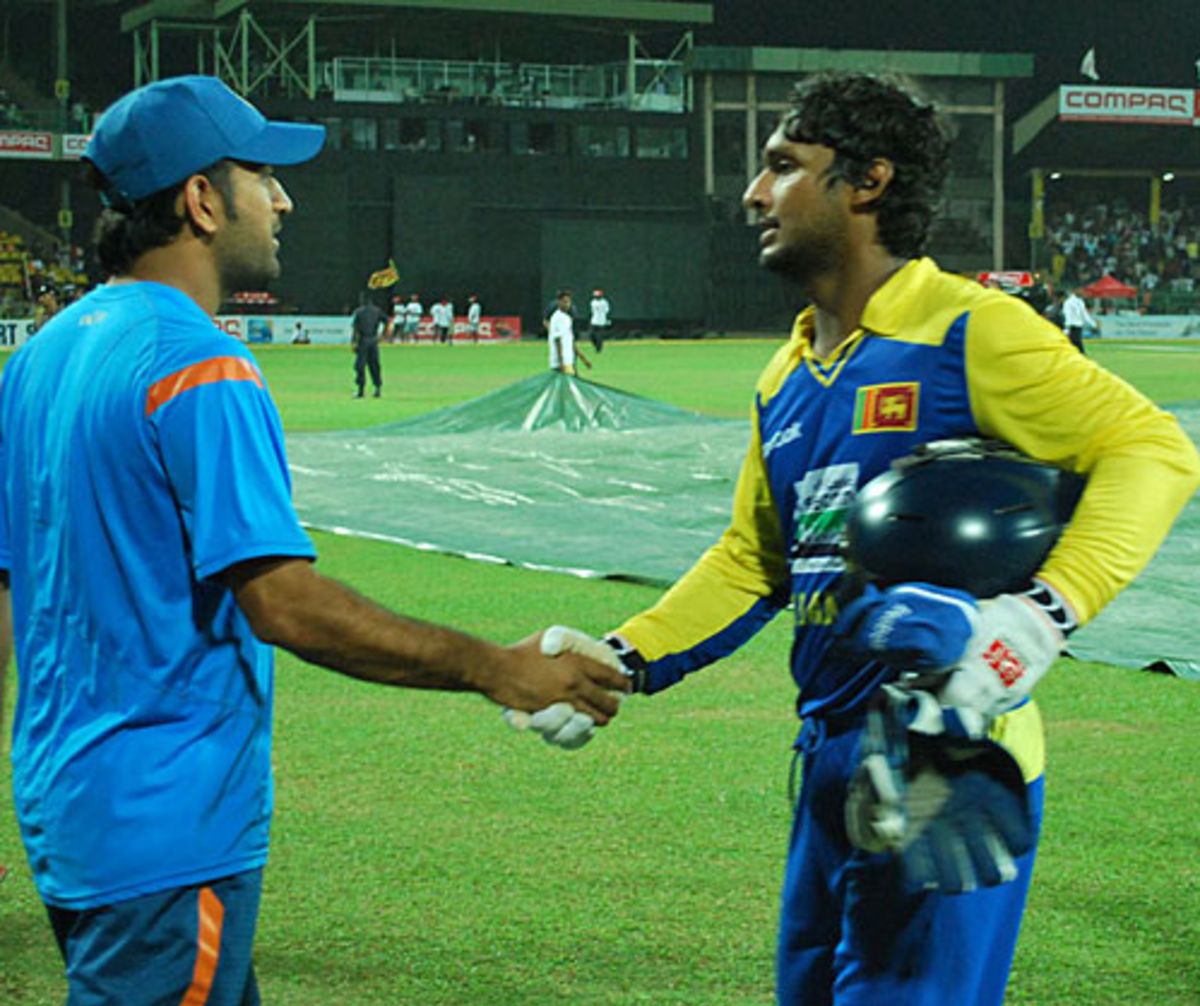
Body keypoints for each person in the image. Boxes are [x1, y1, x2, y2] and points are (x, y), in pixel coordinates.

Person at [526, 72, 1200, 1005]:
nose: (755, 194)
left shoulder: (972, 330)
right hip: (829, 760)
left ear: (867, 182)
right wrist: (625, 655)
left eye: (783, 167)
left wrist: (1041, 617)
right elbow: (756, 558)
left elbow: (1153, 449)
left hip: (945, 756)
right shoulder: (785, 374)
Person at [0, 74, 628, 1006]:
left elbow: (11, 590)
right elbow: (286, 603)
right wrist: (494, 666)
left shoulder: (36, 360)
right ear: (202, 199)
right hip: (169, 822)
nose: (284, 199)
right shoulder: (201, 365)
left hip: (68, 804)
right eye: (262, 175)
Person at [350, 290, 387, 397]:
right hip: (373, 340)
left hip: (363, 341)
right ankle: (377, 388)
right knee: (374, 365)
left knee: (359, 366)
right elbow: (387, 321)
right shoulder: (377, 310)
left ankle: (361, 390)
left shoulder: (359, 312)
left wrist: (353, 343)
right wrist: (383, 335)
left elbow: (355, 329)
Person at [547, 289, 590, 375]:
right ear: (559, 302)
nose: (567, 304)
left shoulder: (566, 318)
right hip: (561, 363)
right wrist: (561, 363)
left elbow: (570, 342)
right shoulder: (557, 318)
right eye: (564, 302)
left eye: (568, 302)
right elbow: (558, 341)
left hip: (569, 361)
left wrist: (583, 359)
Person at [1061, 286, 1097, 353]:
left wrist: (1093, 324)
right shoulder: (1069, 302)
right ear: (1075, 290)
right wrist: (1067, 327)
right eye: (1081, 289)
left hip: (1077, 328)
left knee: (1075, 346)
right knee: (1077, 346)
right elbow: (1067, 315)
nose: (1082, 291)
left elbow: (1084, 315)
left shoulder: (1080, 302)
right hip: (1072, 327)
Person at [588, 288, 611, 352]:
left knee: (599, 336)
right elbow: (592, 311)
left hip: (601, 322)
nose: (596, 297)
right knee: (591, 335)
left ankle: (599, 349)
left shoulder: (604, 302)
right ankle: (597, 346)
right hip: (594, 321)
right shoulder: (592, 302)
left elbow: (606, 311)